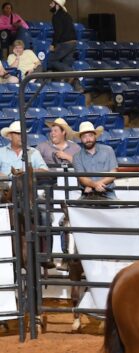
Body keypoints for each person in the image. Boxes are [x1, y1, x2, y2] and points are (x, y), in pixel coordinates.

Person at [0, 120, 53, 266]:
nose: (21, 137)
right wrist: (6, 176)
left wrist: (28, 172)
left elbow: (45, 170)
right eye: (18, 134)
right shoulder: (1, 152)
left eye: (23, 134)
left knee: (44, 215)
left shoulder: (33, 152)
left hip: (28, 195)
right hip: (6, 195)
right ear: (10, 136)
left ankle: (45, 254)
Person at [36, 118, 79, 260]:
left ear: (63, 133)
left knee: (71, 218)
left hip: (71, 188)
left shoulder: (75, 149)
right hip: (47, 187)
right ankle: (50, 254)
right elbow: (34, 164)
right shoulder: (42, 147)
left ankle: (69, 253)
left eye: (55, 130)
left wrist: (68, 157)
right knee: (47, 216)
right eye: (51, 130)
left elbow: (83, 164)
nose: (51, 133)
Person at [71, 121, 118, 200]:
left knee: (116, 208)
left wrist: (95, 185)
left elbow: (113, 174)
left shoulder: (108, 150)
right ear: (81, 139)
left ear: (95, 136)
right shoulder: (76, 156)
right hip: (87, 193)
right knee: (76, 209)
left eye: (90, 135)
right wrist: (95, 185)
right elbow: (82, 178)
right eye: (84, 137)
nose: (88, 139)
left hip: (107, 191)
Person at [48, 0, 82, 92]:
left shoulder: (56, 16)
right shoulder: (67, 15)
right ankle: (78, 87)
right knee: (65, 66)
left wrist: (53, 45)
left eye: (51, 3)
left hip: (65, 43)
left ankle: (73, 74)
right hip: (73, 43)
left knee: (51, 61)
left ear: (57, 6)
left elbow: (58, 32)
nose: (49, 5)